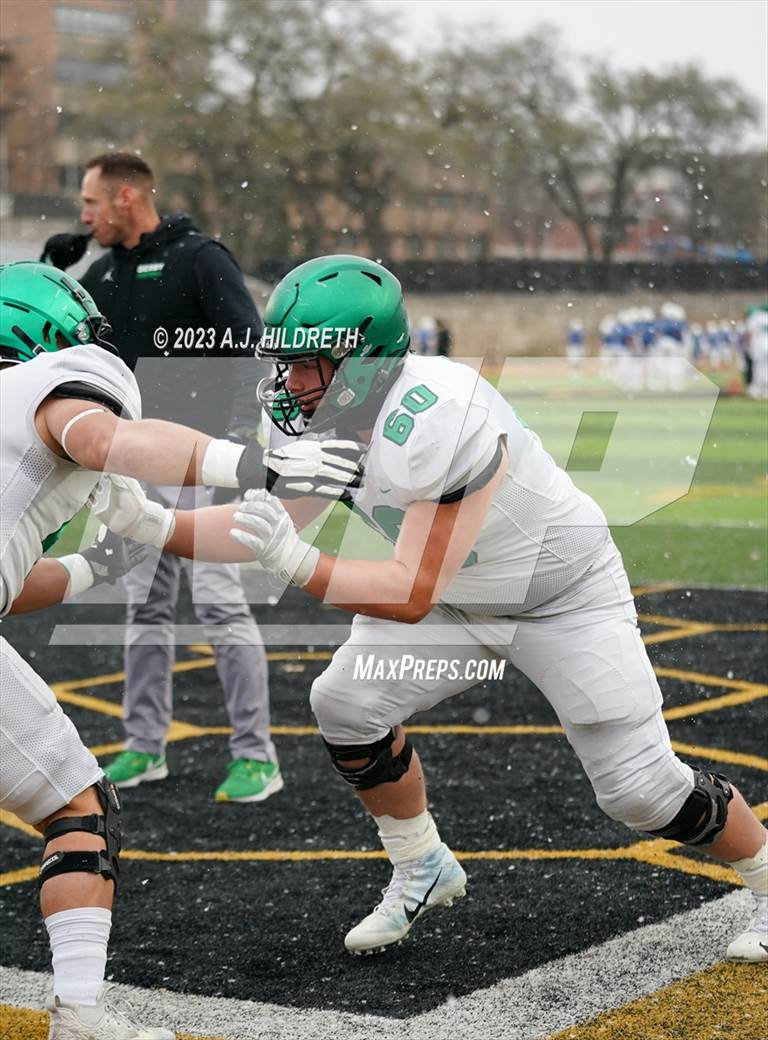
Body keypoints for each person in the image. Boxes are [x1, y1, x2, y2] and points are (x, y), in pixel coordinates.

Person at [229, 254, 768, 962]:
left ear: (364, 363)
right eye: (288, 365)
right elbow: (258, 520)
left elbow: (408, 588)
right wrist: (144, 527)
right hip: (460, 601)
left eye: (310, 366)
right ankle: (421, 864)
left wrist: (296, 563)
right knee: (345, 703)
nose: (292, 385)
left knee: (639, 793)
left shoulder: (440, 414)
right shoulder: (317, 419)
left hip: (559, 598)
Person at [0, 261, 362, 1035]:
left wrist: (93, 565)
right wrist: (257, 463)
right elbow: (106, 436)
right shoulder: (61, 380)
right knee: (78, 814)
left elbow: (12, 578)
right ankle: (82, 1019)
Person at [42, 152, 277, 803]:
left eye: (90, 204)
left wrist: (236, 440)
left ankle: (256, 756)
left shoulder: (201, 257)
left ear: (124, 197)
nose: (83, 217)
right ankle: (145, 747)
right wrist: (53, 261)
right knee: (143, 609)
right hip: (135, 466)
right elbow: (53, 339)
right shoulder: (103, 273)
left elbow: (247, 344)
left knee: (220, 605)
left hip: (202, 461)